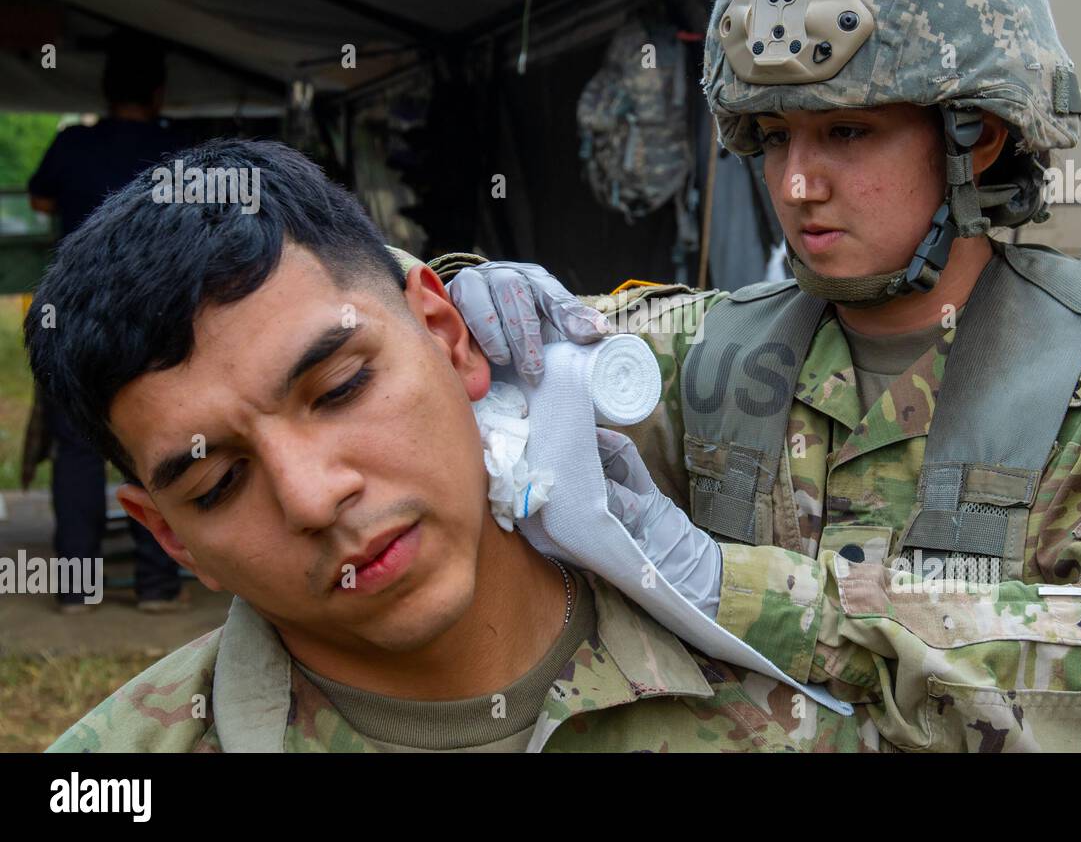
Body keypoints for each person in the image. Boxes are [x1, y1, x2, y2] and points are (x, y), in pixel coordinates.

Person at [446, 0, 1081, 751]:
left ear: (982, 137)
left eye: (847, 132)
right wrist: (461, 299)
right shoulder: (700, 348)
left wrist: (749, 596)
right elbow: (375, 341)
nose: (796, 185)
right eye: (776, 137)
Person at [34, 138, 868, 753]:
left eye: (339, 390)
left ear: (449, 334)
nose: (312, 495)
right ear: (172, 538)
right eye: (216, 482)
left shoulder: (803, 692)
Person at [28, 31, 185, 613]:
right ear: (159, 92)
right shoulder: (180, 151)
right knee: (156, 444)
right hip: (157, 316)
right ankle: (158, 585)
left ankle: (75, 589)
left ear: (104, 88)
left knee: (76, 451)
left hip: (72, 311)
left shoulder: (73, 143)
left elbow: (42, 201)